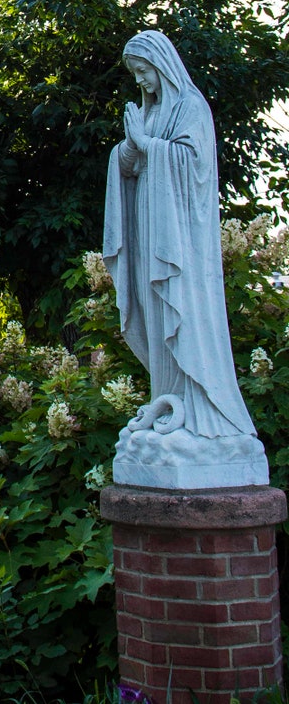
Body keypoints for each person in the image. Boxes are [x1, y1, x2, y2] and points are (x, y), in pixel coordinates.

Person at [103, 29, 255, 440]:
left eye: (143, 70)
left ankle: (202, 410)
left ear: (162, 64)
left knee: (180, 306)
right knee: (155, 311)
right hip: (148, 225)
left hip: (179, 236)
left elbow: (195, 164)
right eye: (134, 73)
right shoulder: (150, 112)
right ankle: (167, 399)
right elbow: (130, 166)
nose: (140, 80)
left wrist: (148, 144)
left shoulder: (192, 107)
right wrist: (129, 148)